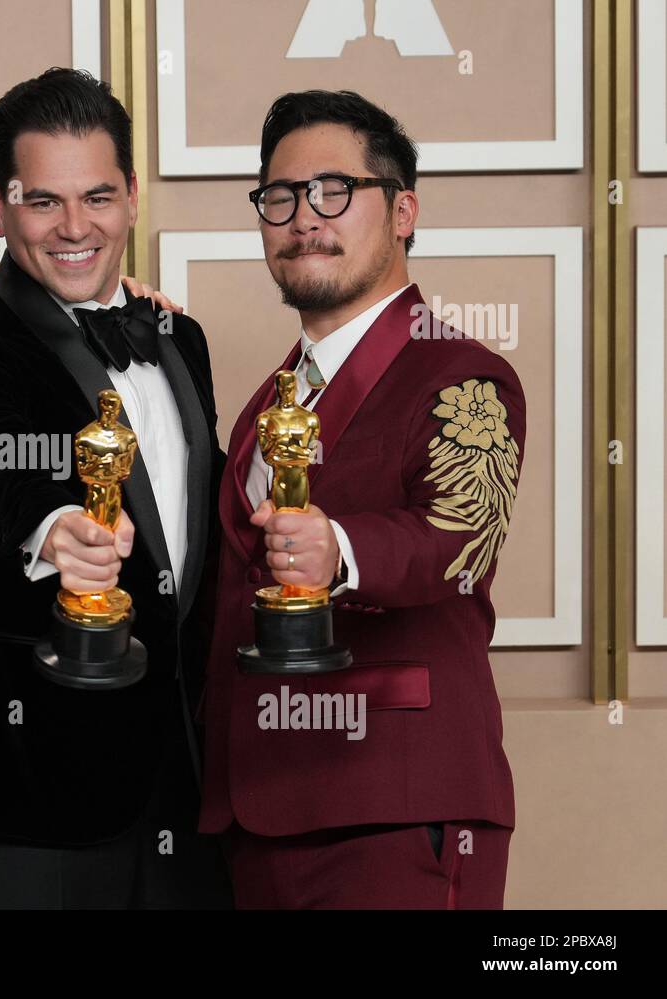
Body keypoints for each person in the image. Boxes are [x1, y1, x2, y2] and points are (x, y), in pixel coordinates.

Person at [0, 68, 233, 909]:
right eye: (43, 201)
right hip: (33, 798)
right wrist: (56, 527)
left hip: (191, 784)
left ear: (132, 195)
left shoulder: (178, 336)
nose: (75, 227)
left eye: (97, 196)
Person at [200, 89, 524, 908]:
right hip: (255, 817)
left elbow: (457, 538)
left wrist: (338, 549)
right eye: (281, 197)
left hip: (394, 812)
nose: (305, 216)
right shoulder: (268, 403)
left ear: (404, 209)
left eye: (334, 191)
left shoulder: (462, 372)